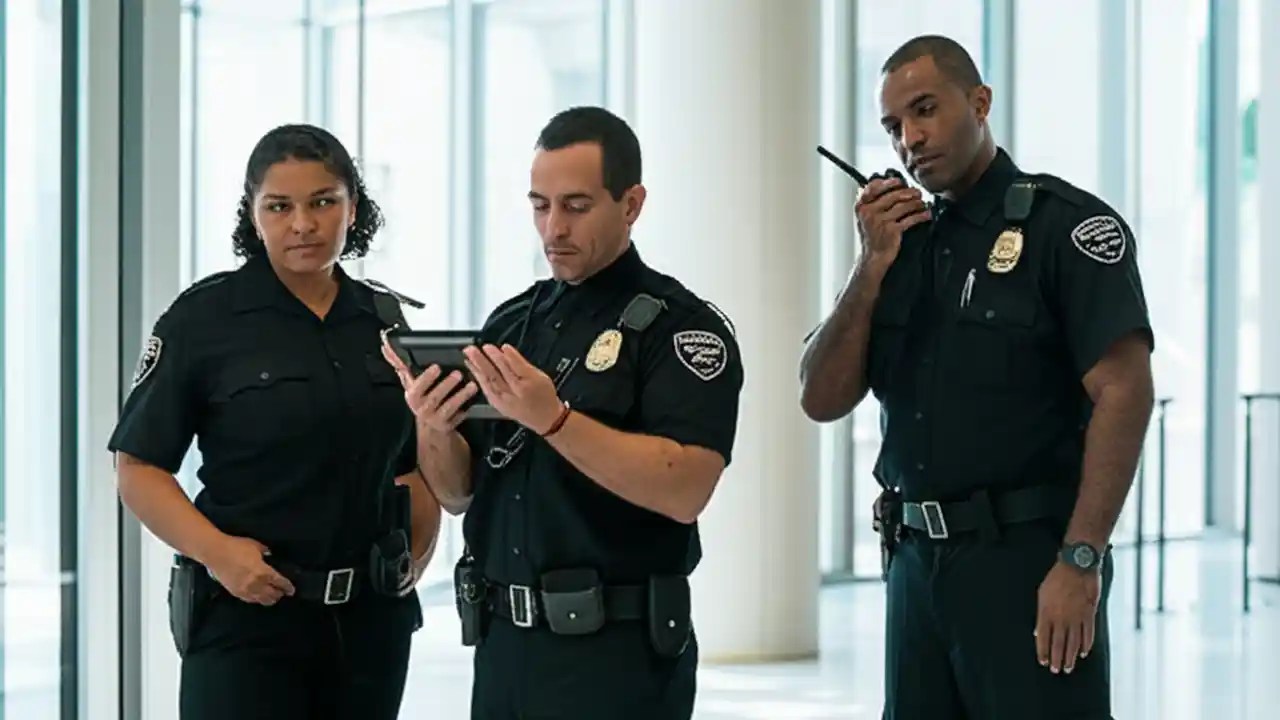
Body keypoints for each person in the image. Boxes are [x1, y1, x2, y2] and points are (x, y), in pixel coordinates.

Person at [799, 36, 1155, 719]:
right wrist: (868, 269)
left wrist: (1081, 560)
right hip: (914, 569)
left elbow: (1124, 391)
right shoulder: (900, 247)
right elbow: (820, 396)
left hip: (1026, 560)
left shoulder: (1064, 228)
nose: (910, 139)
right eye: (893, 127)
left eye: (925, 110)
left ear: (980, 102)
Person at [381, 105, 744, 719]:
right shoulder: (510, 324)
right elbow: (457, 492)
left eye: (576, 206)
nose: (554, 229)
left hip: (616, 658)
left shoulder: (681, 329)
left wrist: (554, 420)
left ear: (630, 204)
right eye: (539, 205)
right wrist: (433, 425)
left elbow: (685, 488)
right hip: (503, 648)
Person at [107, 123, 441, 720]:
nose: (303, 224)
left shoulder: (384, 321)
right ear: (253, 213)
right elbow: (137, 467)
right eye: (279, 206)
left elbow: (412, 462)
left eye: (323, 202)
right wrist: (216, 553)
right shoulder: (203, 320)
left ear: (352, 207)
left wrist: (418, 548)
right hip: (247, 624)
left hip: (371, 628)